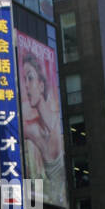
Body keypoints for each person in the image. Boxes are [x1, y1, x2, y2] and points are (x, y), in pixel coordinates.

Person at [20, 54, 65, 201]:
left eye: (30, 78)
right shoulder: (37, 128)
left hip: (55, 202)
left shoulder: (54, 128)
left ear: (41, 85)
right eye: (24, 79)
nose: (26, 85)